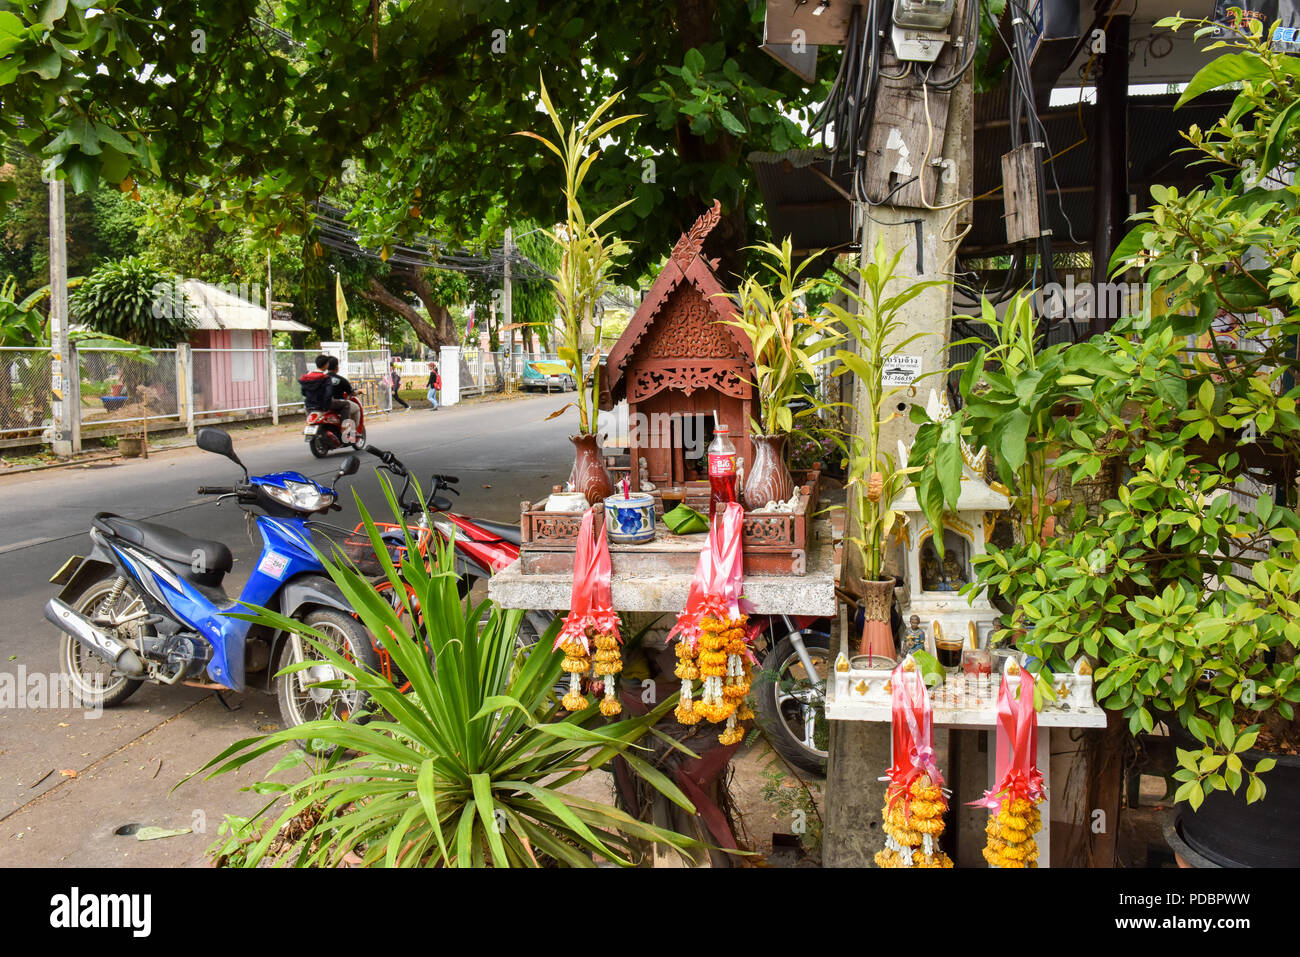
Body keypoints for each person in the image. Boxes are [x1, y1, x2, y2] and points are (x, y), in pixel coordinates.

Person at [325, 356, 363, 443]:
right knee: (356, 408)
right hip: (338, 404)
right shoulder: (341, 380)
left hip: (323, 405)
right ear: (336, 367)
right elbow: (352, 393)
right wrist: (359, 392)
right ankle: (351, 430)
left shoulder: (322, 379)